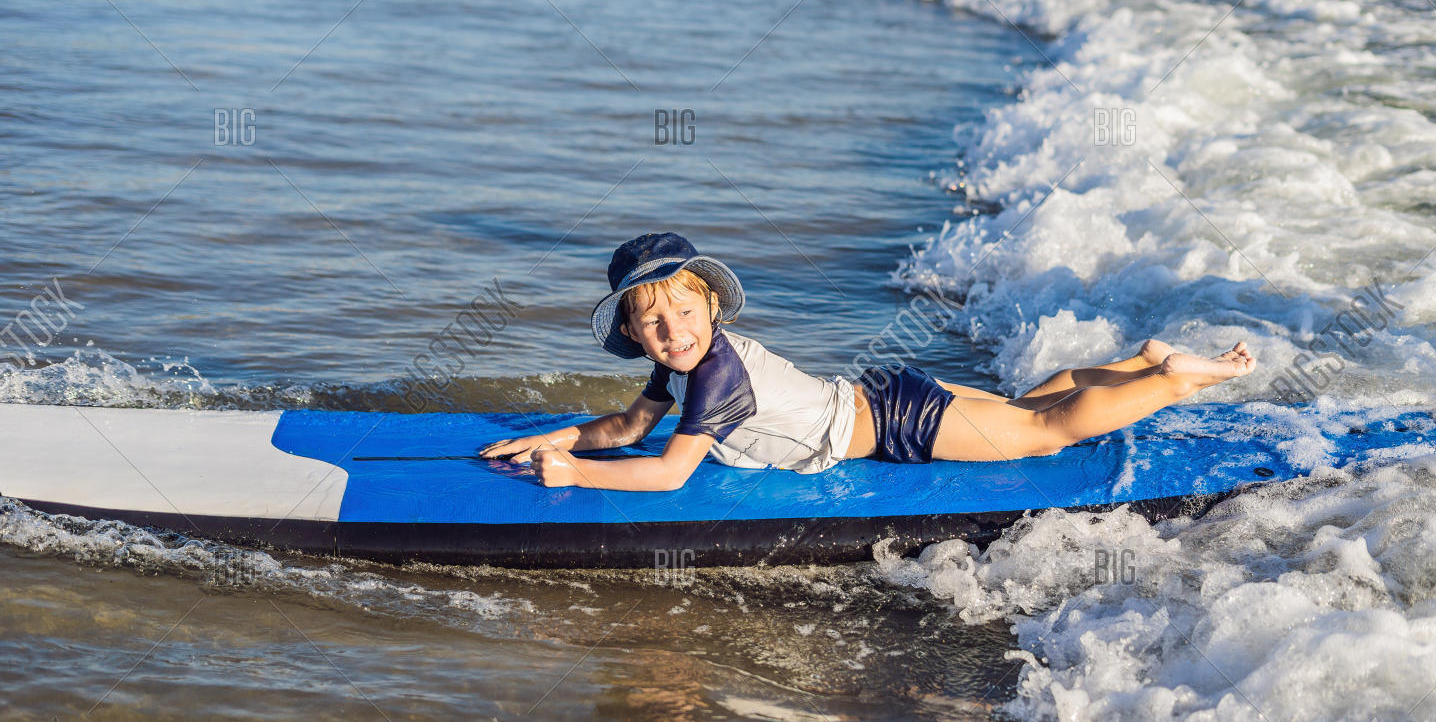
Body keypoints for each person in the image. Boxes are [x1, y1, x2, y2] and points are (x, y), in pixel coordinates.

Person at [477, 232, 1255, 489]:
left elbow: (667, 472)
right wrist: (556, 439)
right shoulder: (687, 363)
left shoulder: (714, 374)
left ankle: (1171, 378)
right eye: (652, 323)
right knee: (1025, 404)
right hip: (878, 397)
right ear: (637, 336)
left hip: (895, 423)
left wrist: (577, 476)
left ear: (711, 309)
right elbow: (627, 427)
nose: (671, 330)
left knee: (1048, 432)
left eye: (683, 312)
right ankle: (1140, 360)